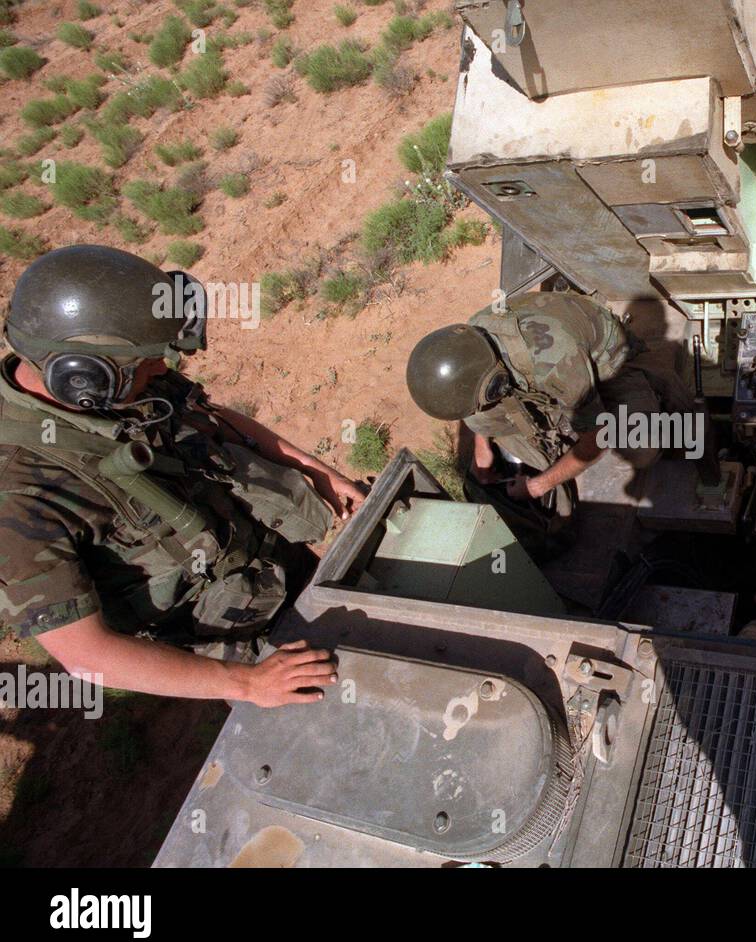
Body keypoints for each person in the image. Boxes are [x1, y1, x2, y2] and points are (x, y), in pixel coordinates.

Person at [0, 245, 365, 707]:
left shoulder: (127, 381)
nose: (163, 368)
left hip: (284, 568)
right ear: (81, 376)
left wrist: (316, 471)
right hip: (242, 648)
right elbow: (87, 655)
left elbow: (212, 419)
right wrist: (247, 684)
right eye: (148, 362)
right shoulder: (19, 494)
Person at [405, 290, 693, 556]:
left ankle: (651, 400)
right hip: (534, 377)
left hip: (605, 365)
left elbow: (598, 439)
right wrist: (483, 446)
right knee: (496, 426)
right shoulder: (469, 349)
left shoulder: (554, 359)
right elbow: (474, 407)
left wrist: (539, 485)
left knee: (640, 449)